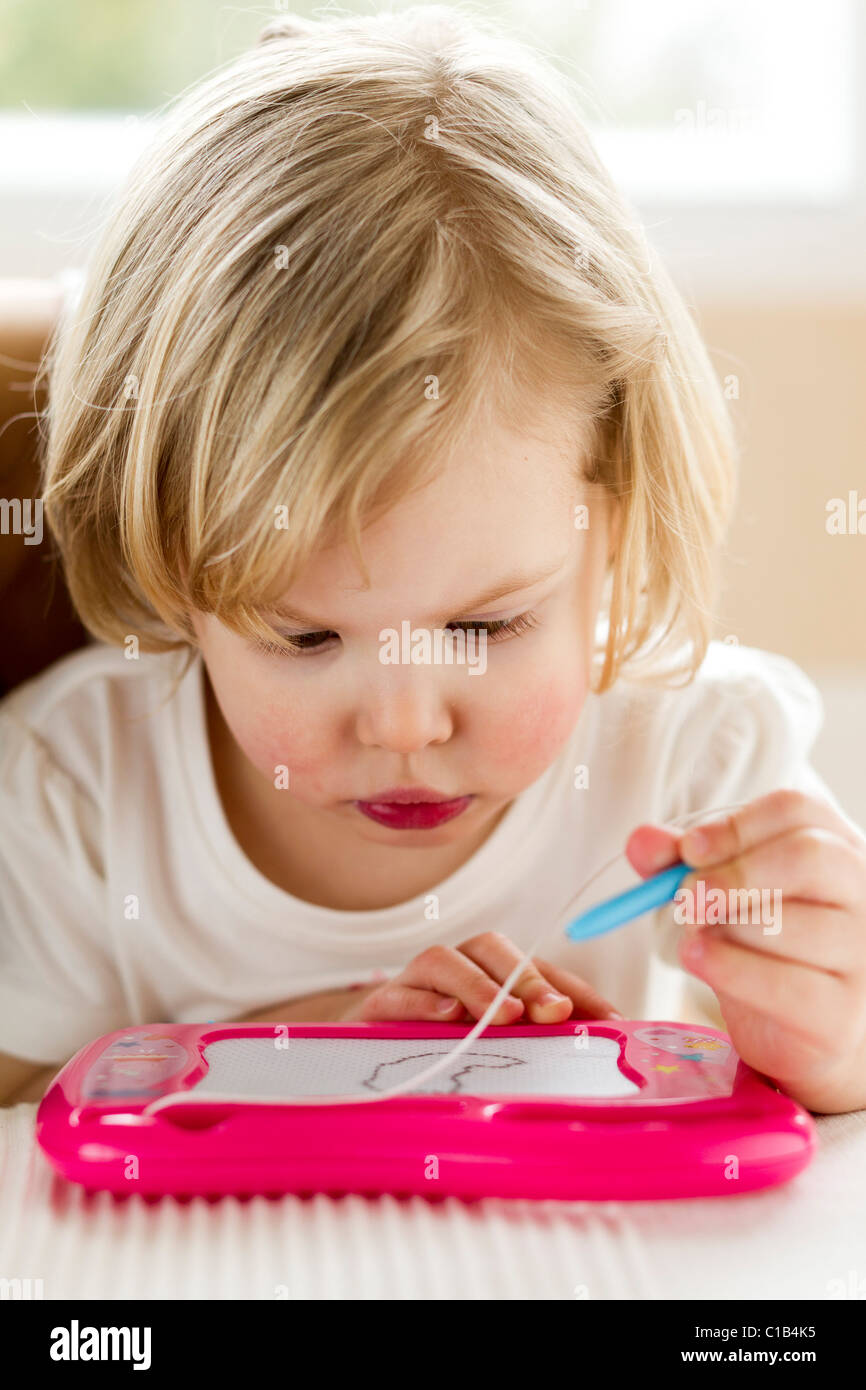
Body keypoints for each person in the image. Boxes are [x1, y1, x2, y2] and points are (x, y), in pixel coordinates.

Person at [2, 7, 864, 1112]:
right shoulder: (73, 797)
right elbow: (21, 1135)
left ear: (609, 524)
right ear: (169, 564)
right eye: (304, 635)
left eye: (486, 626)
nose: (406, 722)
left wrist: (835, 1045)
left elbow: (812, 1124)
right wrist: (302, 1048)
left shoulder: (698, 766)